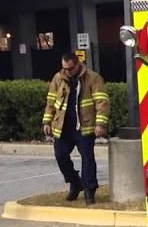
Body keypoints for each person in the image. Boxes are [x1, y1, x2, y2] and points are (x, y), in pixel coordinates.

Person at [42, 52, 109, 204]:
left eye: (70, 69)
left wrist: (100, 124)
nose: (67, 72)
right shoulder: (58, 78)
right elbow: (51, 101)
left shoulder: (93, 78)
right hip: (63, 126)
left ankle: (89, 191)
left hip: (84, 126)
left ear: (78, 64)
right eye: (64, 68)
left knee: (87, 159)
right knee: (61, 156)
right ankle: (75, 182)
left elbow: (102, 102)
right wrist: (47, 122)